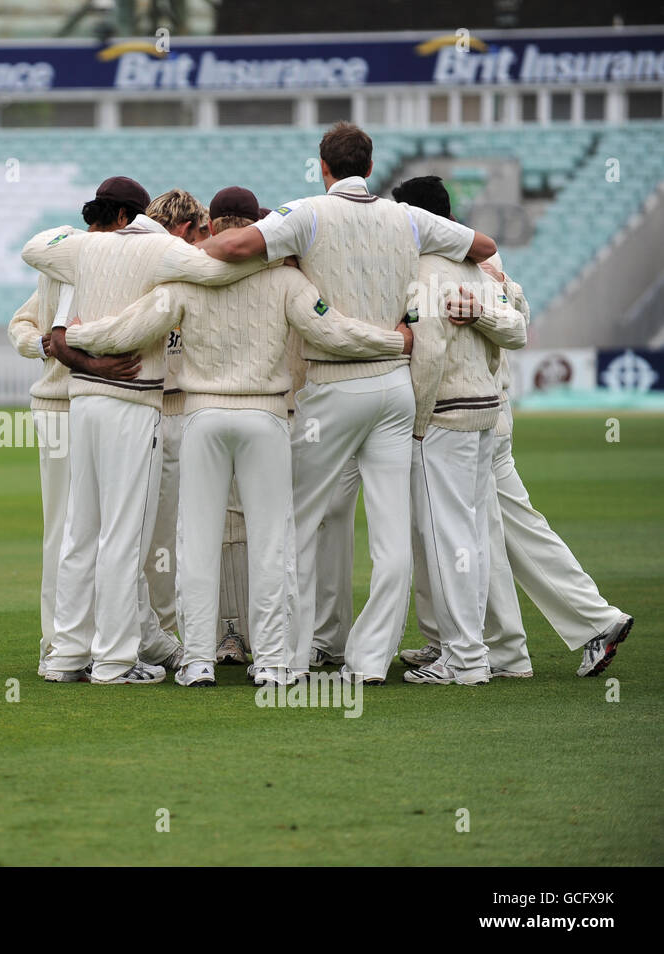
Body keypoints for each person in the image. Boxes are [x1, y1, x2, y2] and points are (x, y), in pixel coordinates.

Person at [63, 184, 411, 686]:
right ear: (257, 225)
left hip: (202, 417)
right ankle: (270, 661)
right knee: (272, 542)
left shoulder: (185, 279)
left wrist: (72, 337)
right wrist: (395, 342)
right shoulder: (285, 280)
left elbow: (125, 331)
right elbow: (333, 333)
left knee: (196, 542)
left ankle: (200, 659)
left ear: (213, 224)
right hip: (266, 417)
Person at [201, 121, 498, 684]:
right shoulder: (406, 217)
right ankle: (368, 662)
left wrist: (199, 255)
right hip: (395, 386)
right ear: (370, 164)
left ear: (323, 165)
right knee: (391, 534)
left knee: (297, 522)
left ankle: (287, 657)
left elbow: (235, 245)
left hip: (333, 383)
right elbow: (482, 246)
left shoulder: (308, 212)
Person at [23, 176, 268, 685]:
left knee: (80, 529)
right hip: (132, 399)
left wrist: (76, 343)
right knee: (123, 534)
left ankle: (66, 654)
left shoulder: (85, 246)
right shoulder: (161, 250)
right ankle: (114, 660)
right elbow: (215, 271)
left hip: (82, 401)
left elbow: (34, 248)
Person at [401, 255, 633, 678]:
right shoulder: (476, 256)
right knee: (502, 531)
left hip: (473, 416)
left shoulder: (456, 261)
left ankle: (527, 642)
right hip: (490, 413)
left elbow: (515, 319)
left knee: (481, 535)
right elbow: (517, 309)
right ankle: (494, 647)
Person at [7, 185, 146, 676]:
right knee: (75, 528)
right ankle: (64, 643)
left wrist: (41, 343)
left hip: (83, 407)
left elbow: (21, 324)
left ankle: (76, 643)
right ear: (125, 216)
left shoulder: (72, 258)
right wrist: (45, 346)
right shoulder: (74, 259)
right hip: (68, 405)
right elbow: (21, 324)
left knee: (79, 529)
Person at [397, 176, 529, 685]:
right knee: (471, 537)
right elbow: (516, 329)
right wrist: (480, 313)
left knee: (447, 538)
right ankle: (470, 651)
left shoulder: (418, 270)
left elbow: (427, 353)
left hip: (445, 416)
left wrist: (418, 420)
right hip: (484, 413)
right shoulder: (477, 267)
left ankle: (466, 659)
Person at [138, 188, 208, 639]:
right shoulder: (151, 269)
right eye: (199, 231)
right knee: (160, 535)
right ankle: (161, 630)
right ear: (182, 230)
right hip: (158, 411)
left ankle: (186, 628)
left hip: (187, 410)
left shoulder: (188, 272)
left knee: (183, 532)